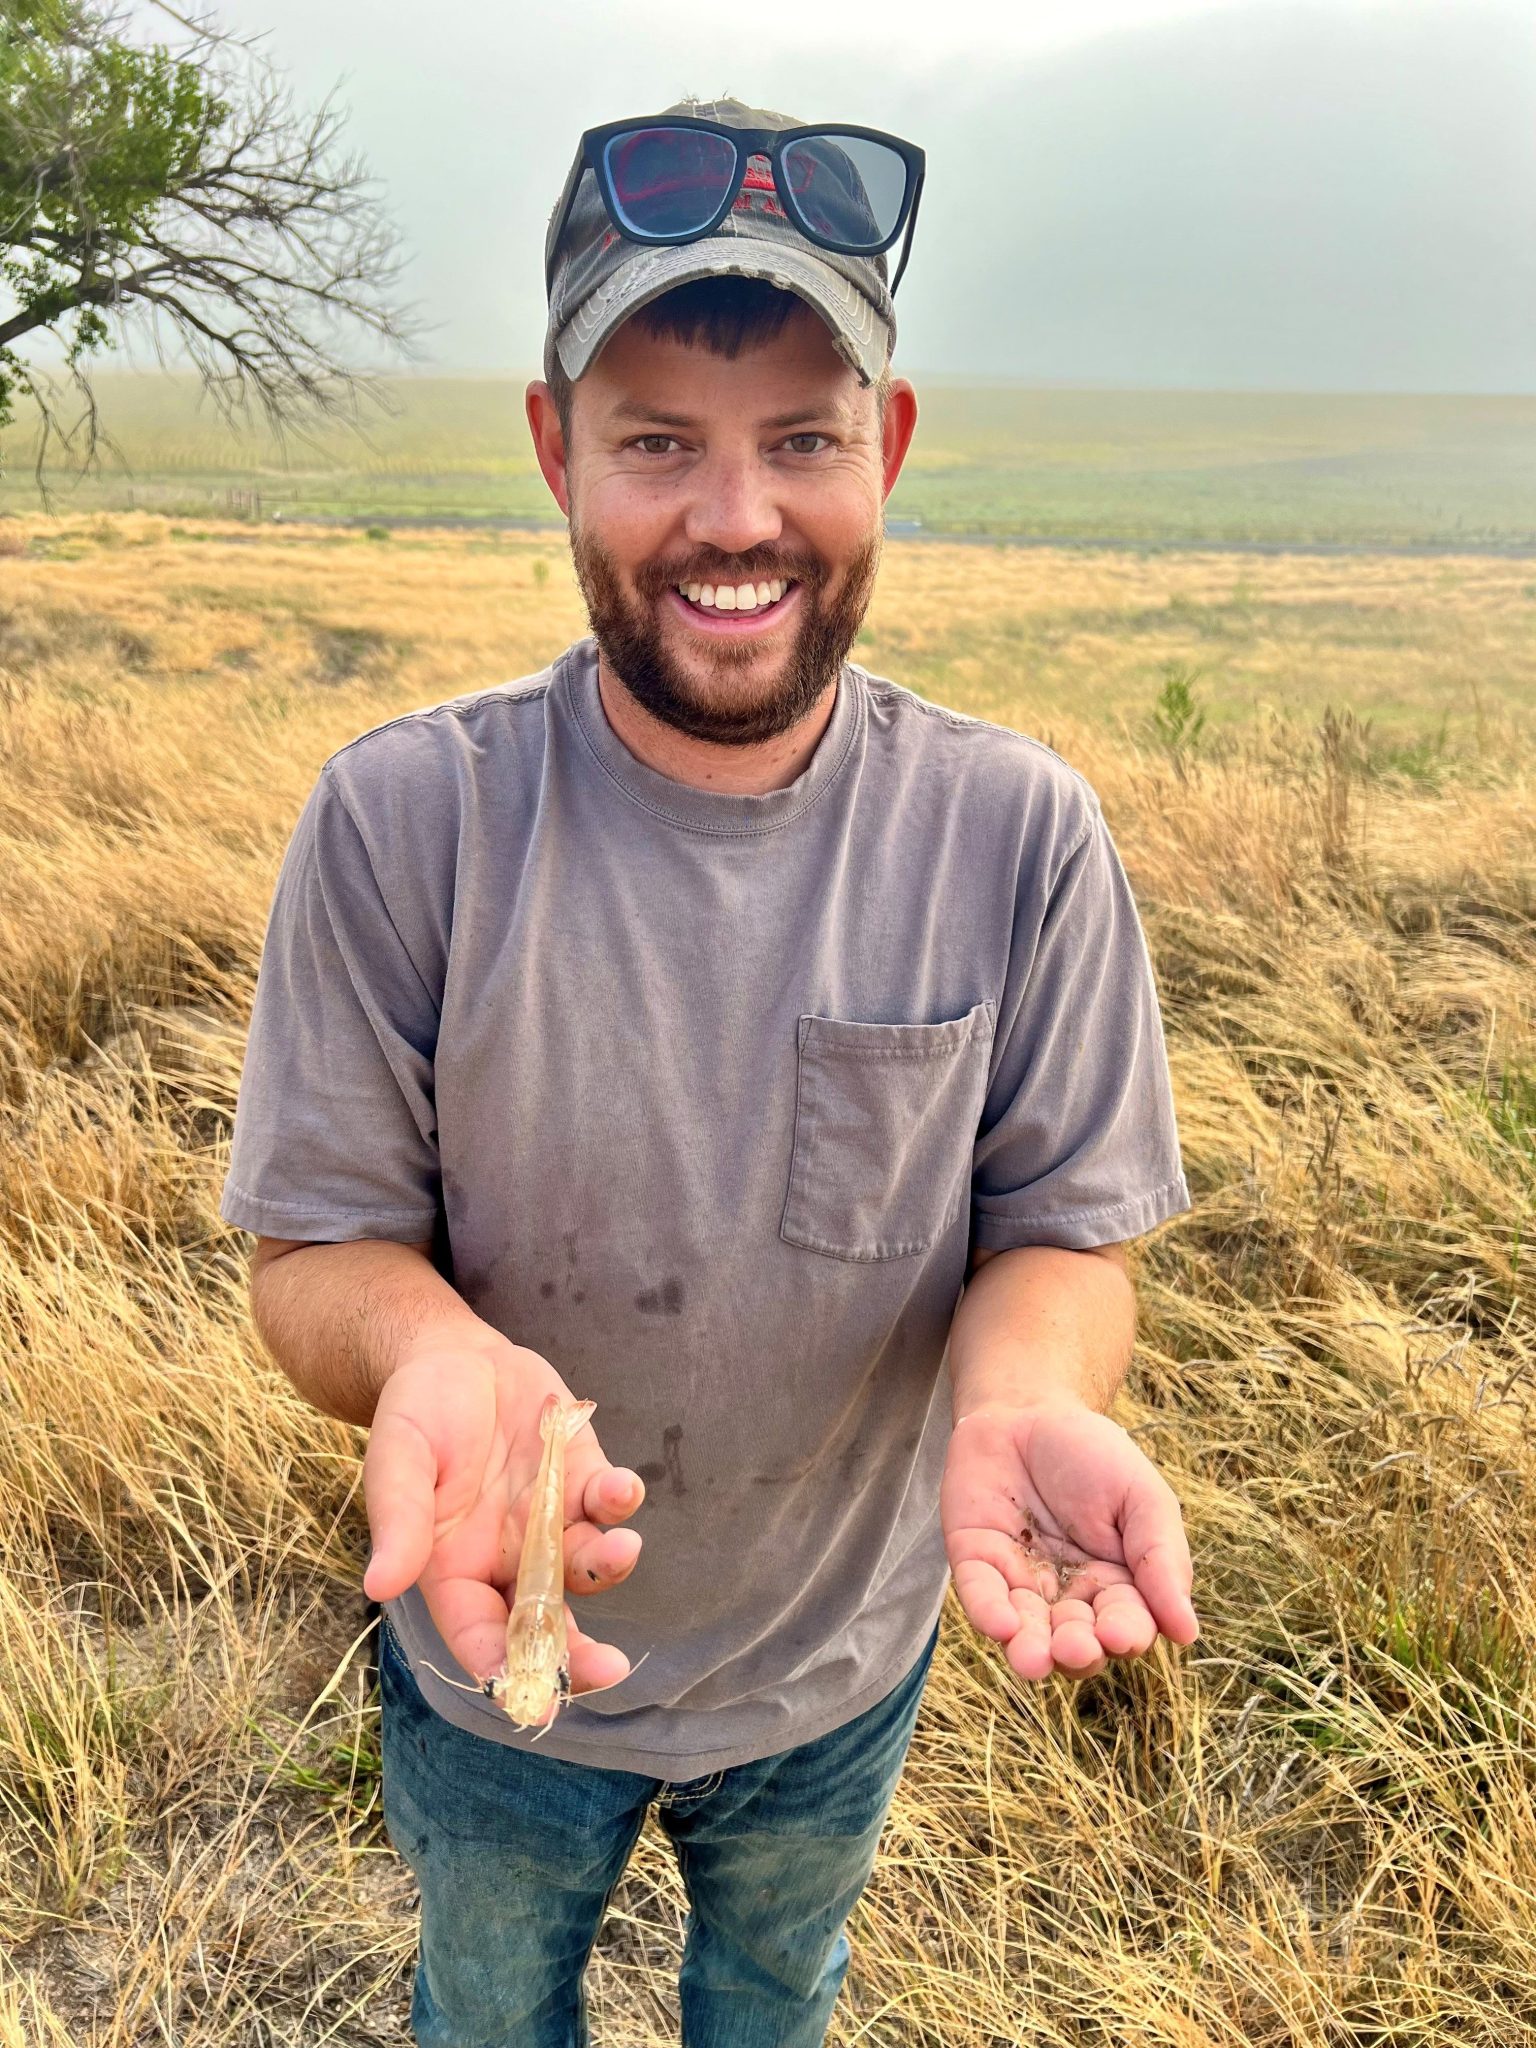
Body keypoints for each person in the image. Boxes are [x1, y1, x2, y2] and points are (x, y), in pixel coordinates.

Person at [220, 94, 1201, 2048]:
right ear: (555, 452)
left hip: (841, 1670)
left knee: (777, 1992)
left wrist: (1018, 1391)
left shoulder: (1019, 834)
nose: (735, 515)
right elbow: (314, 1246)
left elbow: (1065, 1236)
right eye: (659, 438)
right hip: (497, 1658)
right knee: (490, 2005)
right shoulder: (409, 822)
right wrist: (429, 1354)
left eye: (802, 440)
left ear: (888, 452)